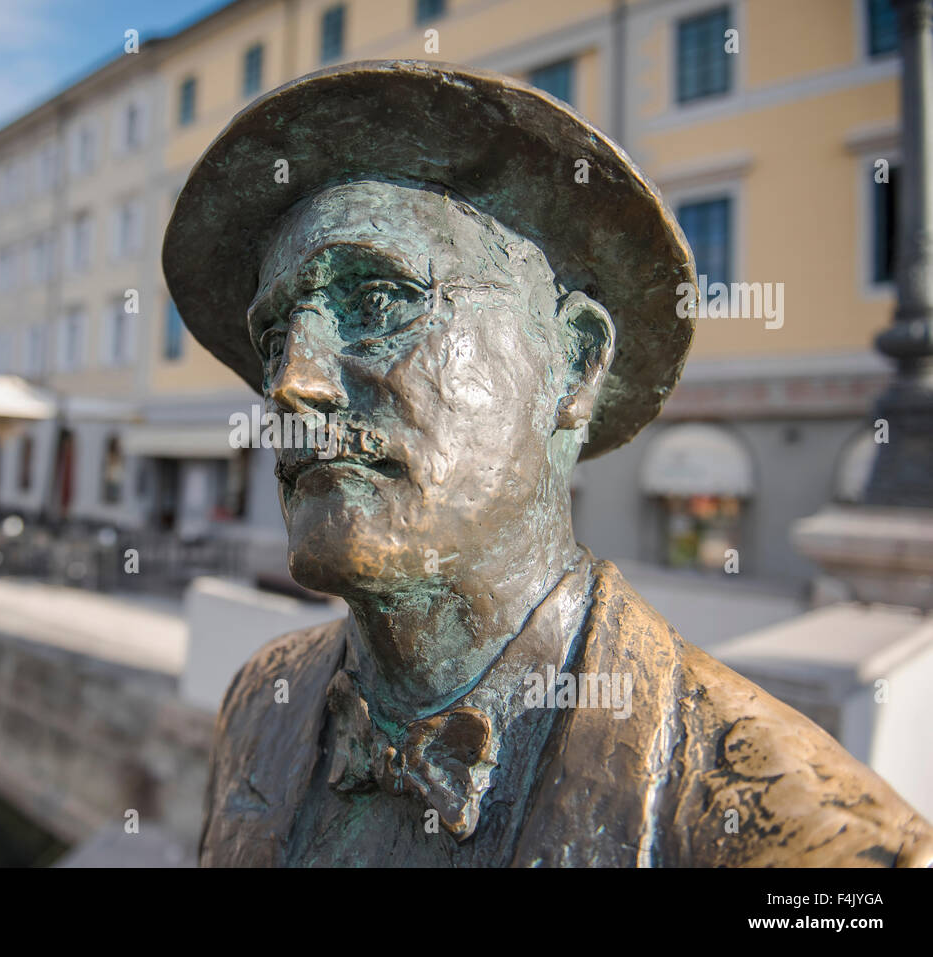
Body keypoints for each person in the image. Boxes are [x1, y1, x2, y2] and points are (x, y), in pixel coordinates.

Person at [163, 60, 933, 867]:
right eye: (275, 339)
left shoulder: (811, 842)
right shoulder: (260, 701)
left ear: (574, 364)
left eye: (379, 301)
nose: (292, 382)